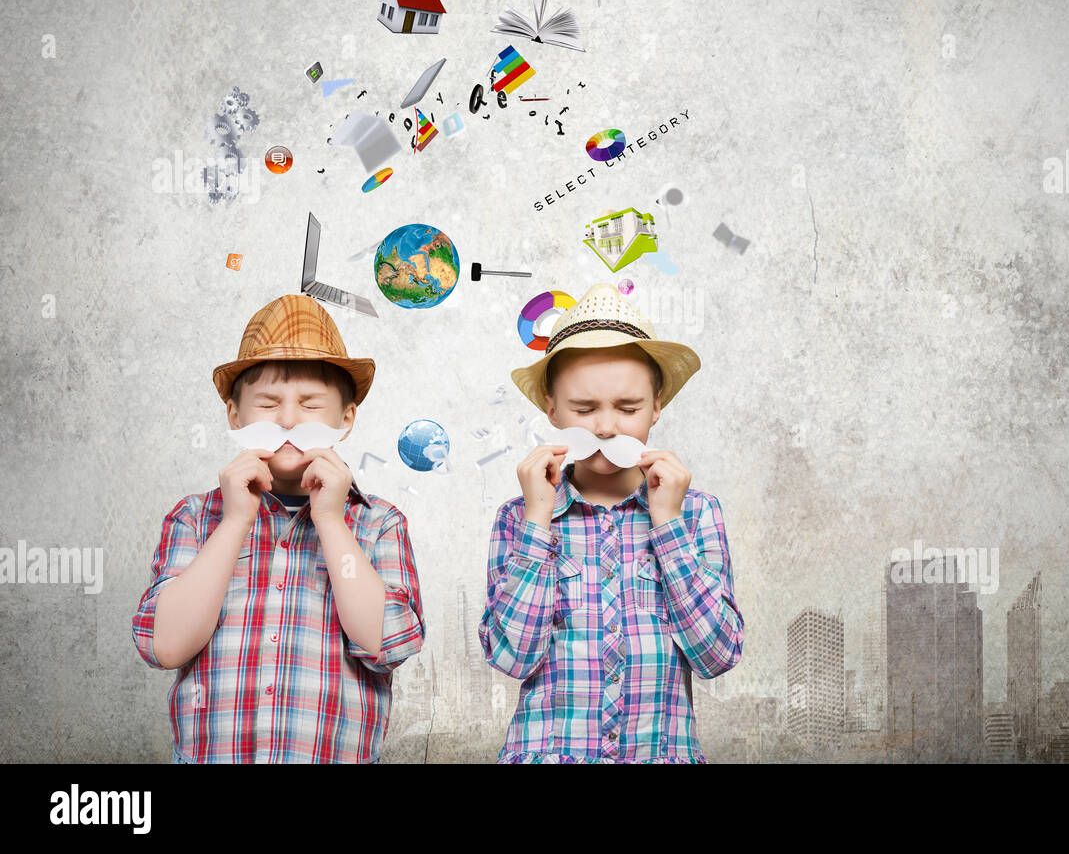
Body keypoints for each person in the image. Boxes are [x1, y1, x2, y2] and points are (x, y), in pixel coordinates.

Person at [131, 293, 424, 762]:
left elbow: (388, 642)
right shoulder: (194, 518)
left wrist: (329, 518)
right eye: (268, 404)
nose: (288, 420)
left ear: (345, 419)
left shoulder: (378, 523)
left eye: (310, 405)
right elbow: (164, 646)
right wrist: (235, 522)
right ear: (235, 416)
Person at [479, 283, 743, 762]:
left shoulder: (698, 512)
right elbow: (510, 657)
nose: (605, 427)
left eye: (628, 408)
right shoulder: (520, 516)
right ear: (551, 407)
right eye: (584, 409)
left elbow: (718, 655)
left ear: (657, 406)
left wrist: (667, 527)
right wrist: (539, 520)